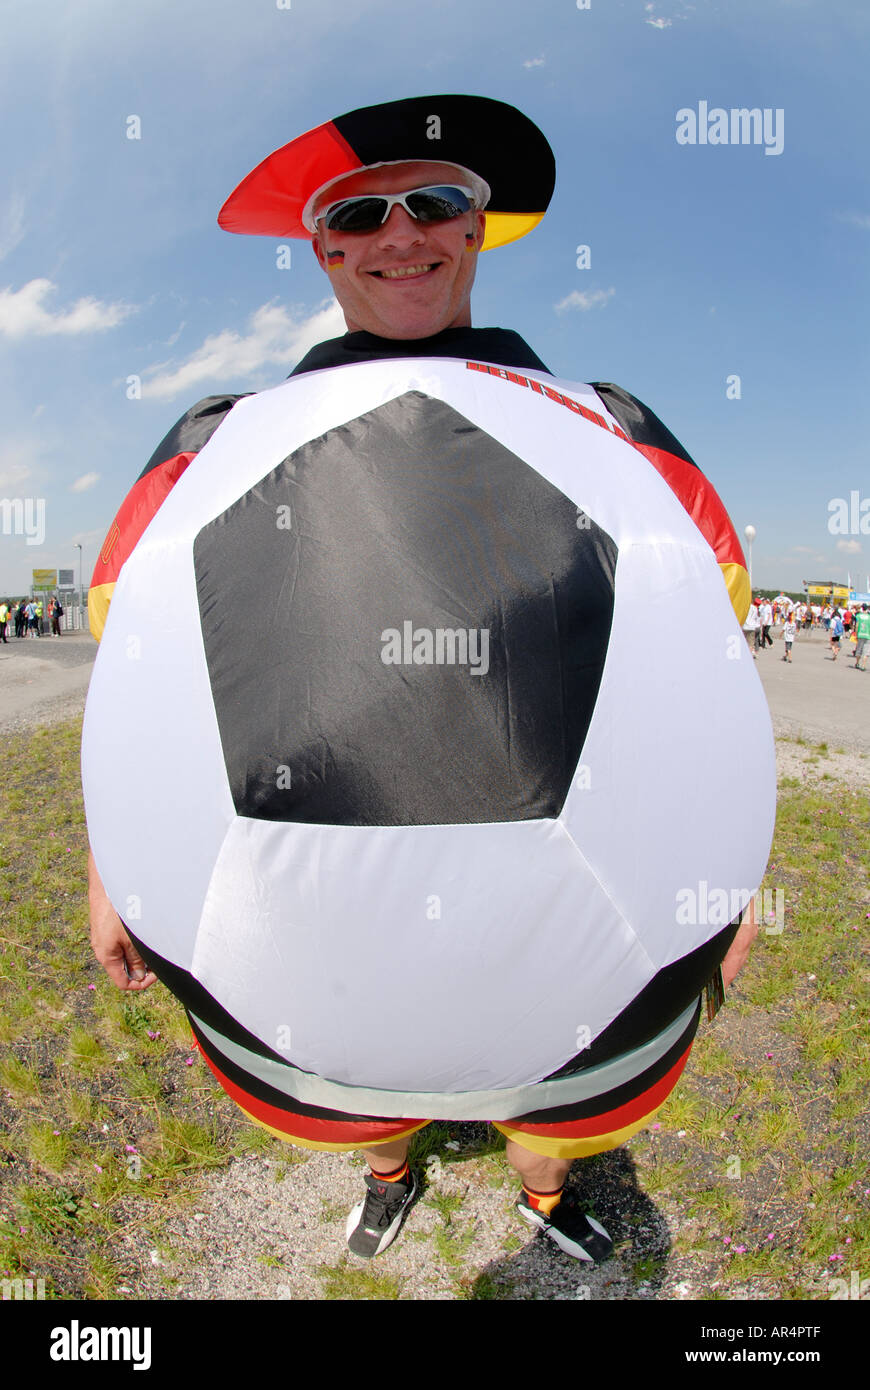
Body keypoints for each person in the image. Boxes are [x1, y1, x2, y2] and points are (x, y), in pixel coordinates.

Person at [87, 95, 760, 1265]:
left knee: (552, 1114)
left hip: (590, 947)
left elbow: (701, 660)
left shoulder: (611, 423)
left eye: (437, 202)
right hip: (297, 940)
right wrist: (114, 866)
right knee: (362, 1098)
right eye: (362, 211)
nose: (404, 234)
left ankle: (544, 1199)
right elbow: (139, 663)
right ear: (326, 247)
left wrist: (726, 875)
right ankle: (391, 1173)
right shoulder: (213, 438)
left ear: (478, 226)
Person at [852, 604, 870, 671]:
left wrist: (856, 634)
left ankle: (857, 663)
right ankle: (863, 665)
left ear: (862, 608)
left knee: (859, 649)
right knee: (866, 651)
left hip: (860, 634)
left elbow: (856, 626)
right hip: (868, 635)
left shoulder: (858, 616)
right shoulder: (869, 617)